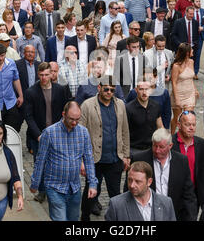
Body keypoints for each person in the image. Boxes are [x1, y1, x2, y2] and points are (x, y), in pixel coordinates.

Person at [30, 101, 98, 221]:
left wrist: (92, 183)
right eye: (71, 119)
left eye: (77, 119)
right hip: (54, 187)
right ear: (63, 114)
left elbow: (88, 159)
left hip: (74, 187)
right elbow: (40, 160)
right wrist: (35, 183)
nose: (74, 122)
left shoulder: (83, 132)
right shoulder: (49, 133)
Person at [79, 75, 130, 221]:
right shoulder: (88, 105)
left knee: (115, 193)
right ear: (99, 88)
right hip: (94, 159)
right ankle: (85, 217)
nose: (109, 92)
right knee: (91, 190)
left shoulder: (120, 105)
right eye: (106, 89)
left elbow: (125, 130)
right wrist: (82, 160)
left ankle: (117, 219)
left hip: (114, 158)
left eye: (112, 90)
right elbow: (80, 134)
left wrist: (126, 155)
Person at [131, 128, 197, 221]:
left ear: (170, 145)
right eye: (154, 146)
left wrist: (191, 217)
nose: (157, 150)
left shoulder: (181, 161)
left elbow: (188, 195)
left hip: (174, 214)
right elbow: (130, 189)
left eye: (161, 147)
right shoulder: (140, 159)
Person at [105, 161, 176, 221]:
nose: (132, 185)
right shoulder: (116, 205)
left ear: (149, 182)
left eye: (138, 181)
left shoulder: (166, 203)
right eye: (130, 180)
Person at [172, 110, 204, 211]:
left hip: (193, 196)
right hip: (173, 195)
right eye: (187, 124)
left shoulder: (201, 144)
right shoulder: (170, 143)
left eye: (193, 124)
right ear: (179, 125)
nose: (191, 128)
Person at [126, 78, 163, 155]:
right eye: (141, 89)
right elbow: (124, 132)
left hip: (152, 148)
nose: (144, 92)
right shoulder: (128, 108)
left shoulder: (156, 106)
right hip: (134, 149)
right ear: (136, 90)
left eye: (147, 89)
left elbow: (160, 127)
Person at [170, 43, 197, 132]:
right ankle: (172, 135)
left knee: (188, 118)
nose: (193, 50)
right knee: (177, 118)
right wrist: (177, 98)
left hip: (190, 93)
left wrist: (195, 89)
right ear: (187, 53)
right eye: (191, 50)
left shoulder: (191, 62)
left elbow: (191, 78)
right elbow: (173, 82)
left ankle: (185, 136)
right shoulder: (176, 66)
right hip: (179, 93)